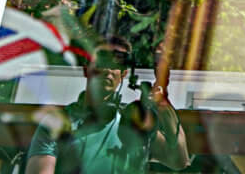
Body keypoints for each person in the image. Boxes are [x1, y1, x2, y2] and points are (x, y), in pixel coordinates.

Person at [25, 38, 190, 173]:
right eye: (102, 60)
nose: (108, 69)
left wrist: (163, 104)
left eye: (117, 62)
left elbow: (179, 161)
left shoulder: (133, 123)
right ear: (86, 68)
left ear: (124, 74)